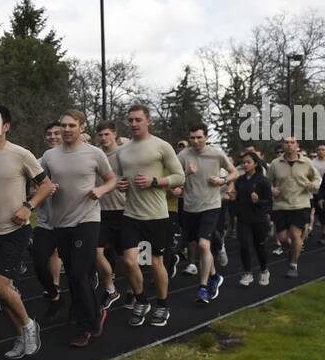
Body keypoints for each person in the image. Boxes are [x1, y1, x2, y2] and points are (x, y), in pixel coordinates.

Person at [0, 105, 52, 357]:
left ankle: (29, 326)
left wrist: (29, 206)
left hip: (16, 230)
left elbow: (46, 186)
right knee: (1, 293)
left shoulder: (21, 154)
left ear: (6, 127)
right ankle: (19, 336)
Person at [38, 110, 116, 347]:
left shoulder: (94, 153)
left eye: (72, 125)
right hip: (61, 222)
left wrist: (101, 191)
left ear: (82, 127)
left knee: (78, 273)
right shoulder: (49, 156)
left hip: (88, 218)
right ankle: (92, 312)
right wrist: (46, 189)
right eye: (64, 125)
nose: (67, 129)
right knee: (74, 273)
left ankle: (86, 325)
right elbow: (38, 182)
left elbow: (111, 179)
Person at [112, 104, 184, 326]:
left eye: (138, 120)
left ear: (148, 121)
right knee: (129, 261)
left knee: (155, 263)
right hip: (131, 214)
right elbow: (118, 179)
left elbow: (179, 177)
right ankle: (142, 300)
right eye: (130, 120)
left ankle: (162, 304)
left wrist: (156, 181)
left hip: (157, 215)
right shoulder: (122, 151)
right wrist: (121, 185)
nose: (133, 124)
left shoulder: (161, 146)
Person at [177, 123, 236, 306]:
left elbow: (234, 172)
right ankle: (214, 276)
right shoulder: (183, 155)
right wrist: (186, 173)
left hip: (211, 205)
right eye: (192, 138)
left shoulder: (216, 154)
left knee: (203, 245)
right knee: (198, 246)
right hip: (189, 207)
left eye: (199, 137)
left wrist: (222, 180)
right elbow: (175, 178)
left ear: (206, 137)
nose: (195, 141)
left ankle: (202, 288)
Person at [268, 136, 321, 278]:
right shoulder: (275, 163)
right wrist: (272, 189)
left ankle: (293, 264)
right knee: (283, 238)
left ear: (297, 145)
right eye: (286, 142)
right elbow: (267, 182)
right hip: (280, 204)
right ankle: (291, 249)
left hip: (300, 204)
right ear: (283, 146)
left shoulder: (306, 162)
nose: (289, 145)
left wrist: (313, 185)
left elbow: (317, 178)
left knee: (295, 234)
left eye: (292, 142)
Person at [30, 122, 65, 319]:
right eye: (49, 134)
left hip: (71, 223)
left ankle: (79, 308)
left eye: (56, 133)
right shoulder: (37, 162)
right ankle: (54, 295)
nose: (52, 137)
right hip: (45, 222)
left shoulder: (74, 159)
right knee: (39, 262)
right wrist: (42, 191)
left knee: (77, 272)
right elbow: (26, 191)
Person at [94, 122, 126, 312]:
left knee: (128, 259)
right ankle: (110, 289)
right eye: (100, 135)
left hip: (124, 210)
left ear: (115, 134)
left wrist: (127, 183)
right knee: (96, 252)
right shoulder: (95, 154)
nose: (103, 138)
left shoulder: (124, 154)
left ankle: (134, 291)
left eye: (107, 134)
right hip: (100, 212)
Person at [232, 152, 273, 286]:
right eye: (243, 162)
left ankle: (264, 270)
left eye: (248, 162)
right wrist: (233, 200)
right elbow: (236, 199)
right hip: (243, 218)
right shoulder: (240, 180)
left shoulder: (263, 181)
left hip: (259, 219)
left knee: (259, 246)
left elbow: (269, 202)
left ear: (255, 164)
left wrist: (258, 201)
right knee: (244, 245)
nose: (245, 165)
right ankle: (247, 273)